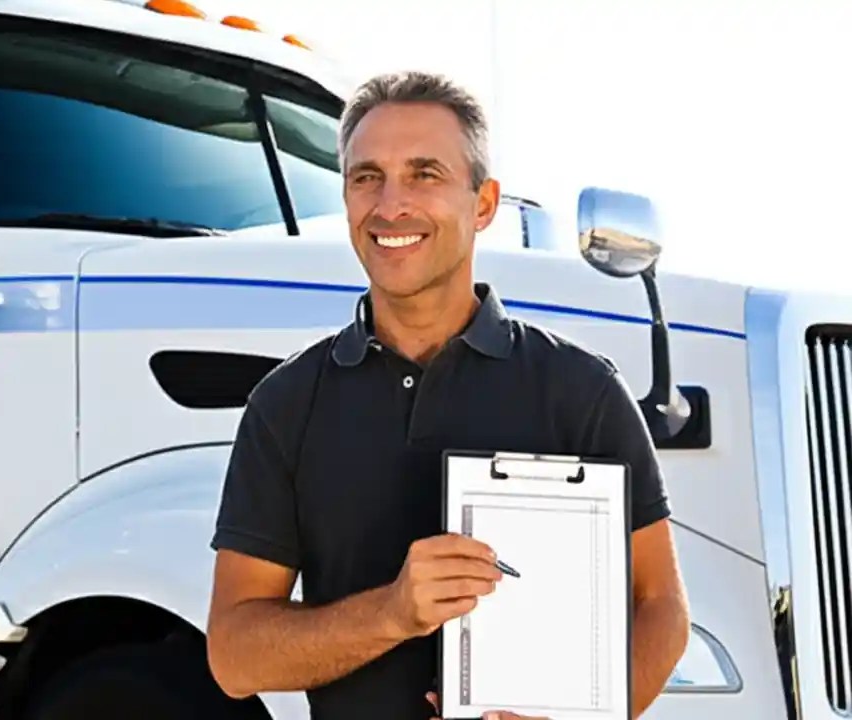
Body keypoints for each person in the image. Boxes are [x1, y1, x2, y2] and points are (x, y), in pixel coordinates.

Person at [204, 70, 691, 720]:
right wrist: (393, 611)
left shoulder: (581, 391)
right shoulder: (286, 405)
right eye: (366, 177)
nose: (390, 204)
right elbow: (234, 656)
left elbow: (660, 607)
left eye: (425, 174)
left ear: (483, 203)